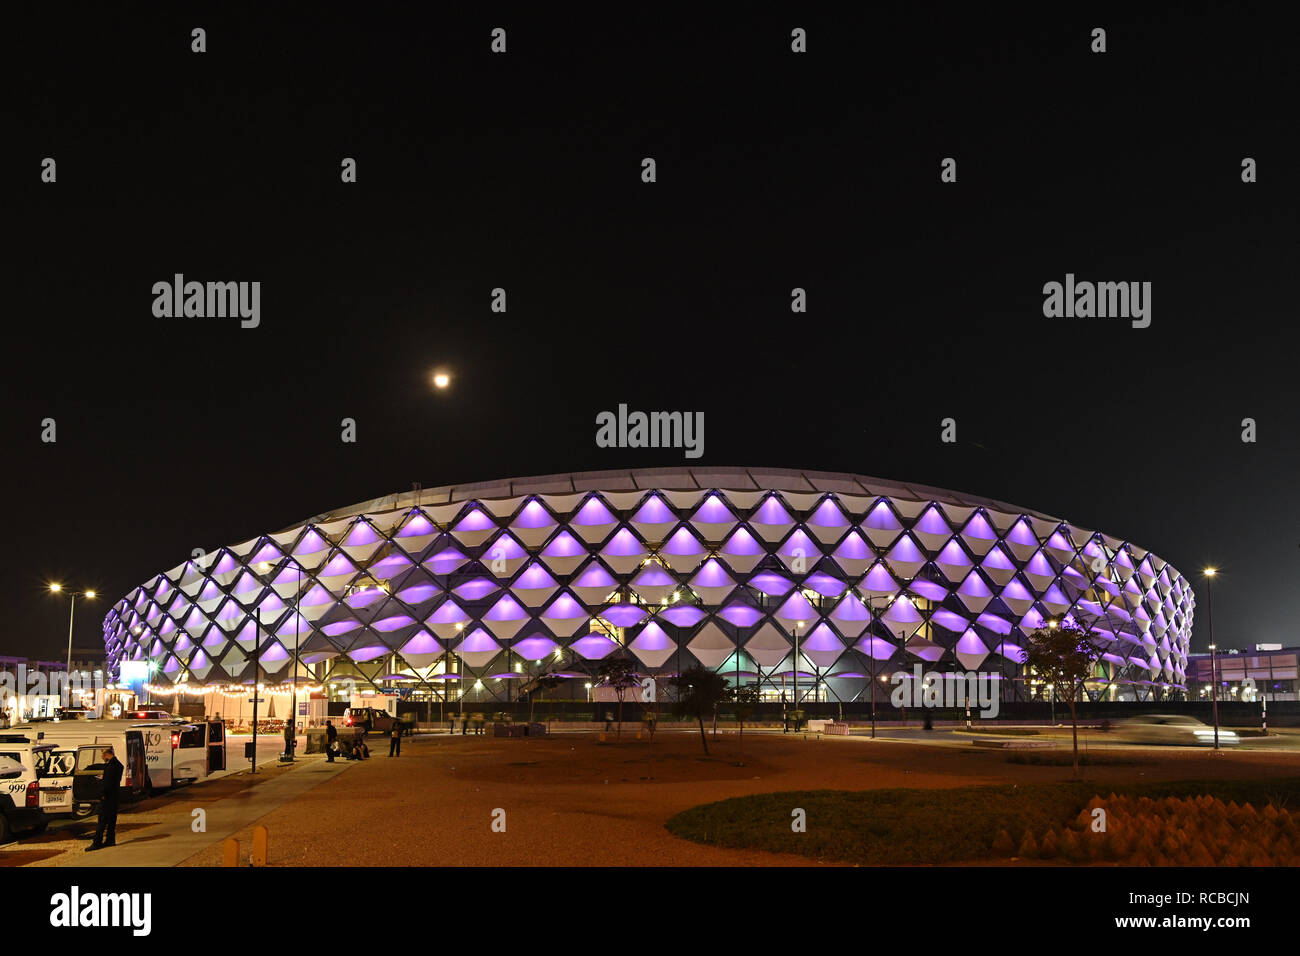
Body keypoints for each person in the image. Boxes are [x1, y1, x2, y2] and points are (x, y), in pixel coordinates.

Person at [86, 746, 123, 851]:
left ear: (107, 754)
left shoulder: (110, 766)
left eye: (103, 755)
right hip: (114, 796)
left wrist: (101, 793)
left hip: (107, 797)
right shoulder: (118, 765)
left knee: (102, 820)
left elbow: (107, 783)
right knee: (112, 820)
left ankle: (97, 842)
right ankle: (110, 840)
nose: (102, 757)